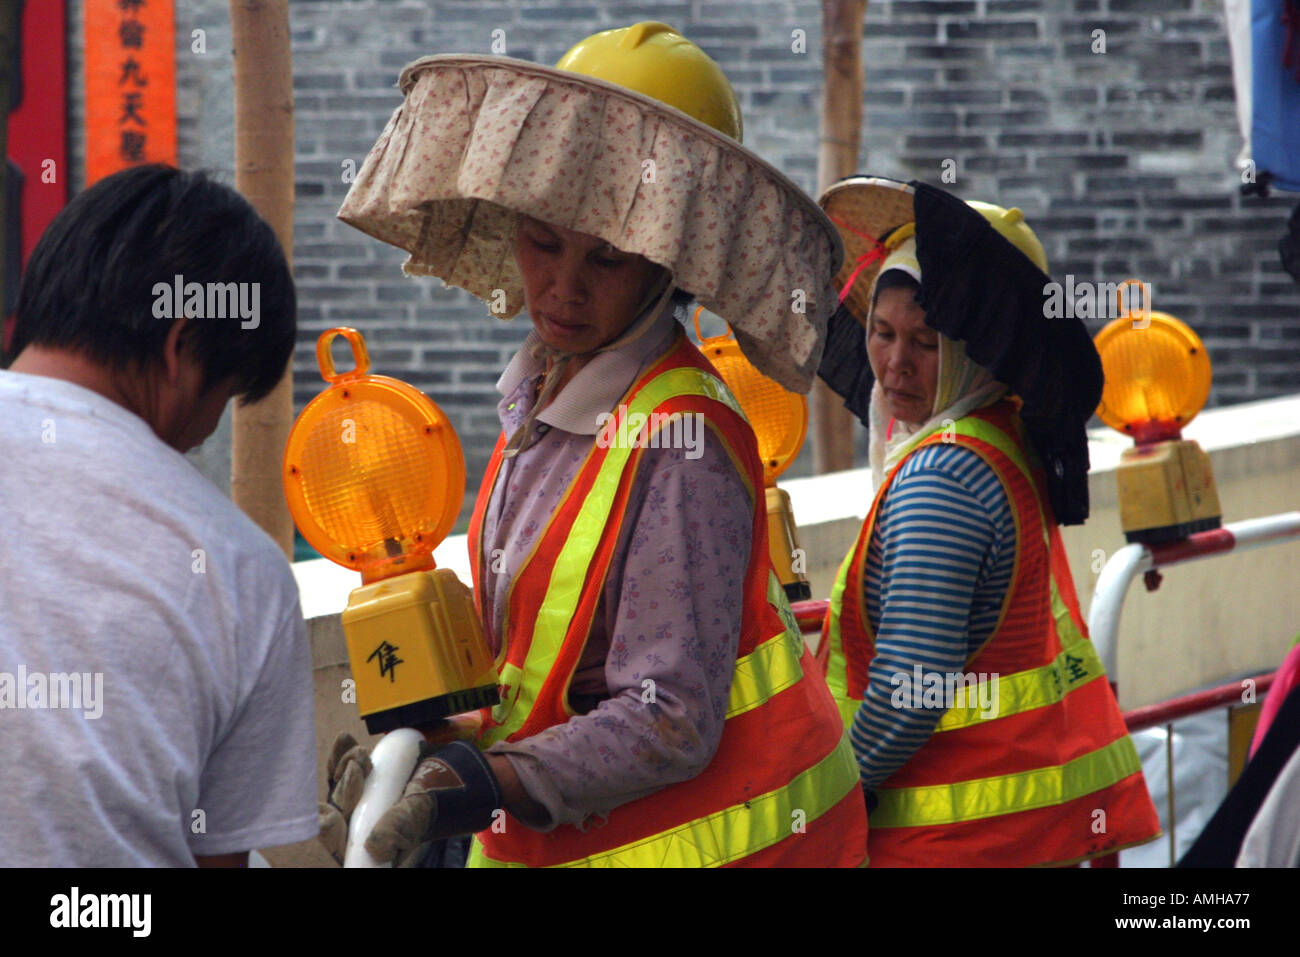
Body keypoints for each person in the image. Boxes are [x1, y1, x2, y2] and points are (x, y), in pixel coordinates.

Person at [323, 22, 868, 868]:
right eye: (543, 242)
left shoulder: (682, 442)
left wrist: (486, 779)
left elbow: (669, 715)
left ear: (669, 261)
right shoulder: (538, 400)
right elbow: (548, 674)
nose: (562, 287)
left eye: (608, 259)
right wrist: (438, 741)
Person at [815, 175, 1162, 866]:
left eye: (927, 340)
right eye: (882, 333)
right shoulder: (1003, 441)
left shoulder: (940, 479)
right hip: (1025, 839)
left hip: (942, 842)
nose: (893, 364)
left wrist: (819, 803)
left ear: (981, 346)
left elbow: (911, 690)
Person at [0, 164, 317, 867]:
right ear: (181, 349)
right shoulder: (241, 566)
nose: (203, 433)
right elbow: (221, 856)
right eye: (224, 398)